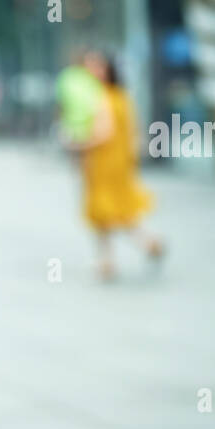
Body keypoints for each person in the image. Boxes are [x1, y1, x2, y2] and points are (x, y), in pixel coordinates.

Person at [76, 51, 164, 281]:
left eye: (96, 67)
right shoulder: (122, 96)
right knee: (116, 211)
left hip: (103, 163)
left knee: (105, 212)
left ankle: (114, 258)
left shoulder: (102, 97)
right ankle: (143, 245)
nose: (91, 72)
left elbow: (104, 133)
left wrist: (79, 142)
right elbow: (135, 132)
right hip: (121, 163)